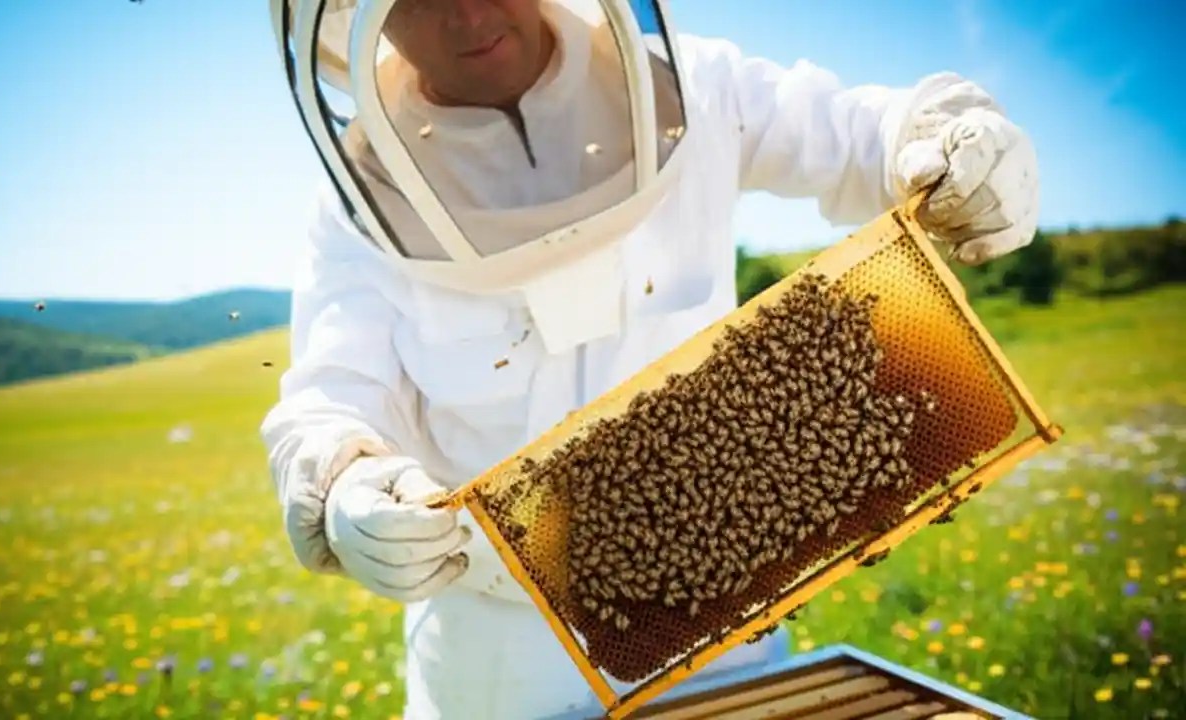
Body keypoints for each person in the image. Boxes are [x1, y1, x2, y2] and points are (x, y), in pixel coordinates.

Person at [260, 0, 1040, 718]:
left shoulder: (693, 84)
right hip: (497, 660)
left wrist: (945, 137)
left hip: (729, 615)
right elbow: (333, 398)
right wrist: (347, 483)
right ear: (364, 24)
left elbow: (860, 136)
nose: (466, 12)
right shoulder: (355, 205)